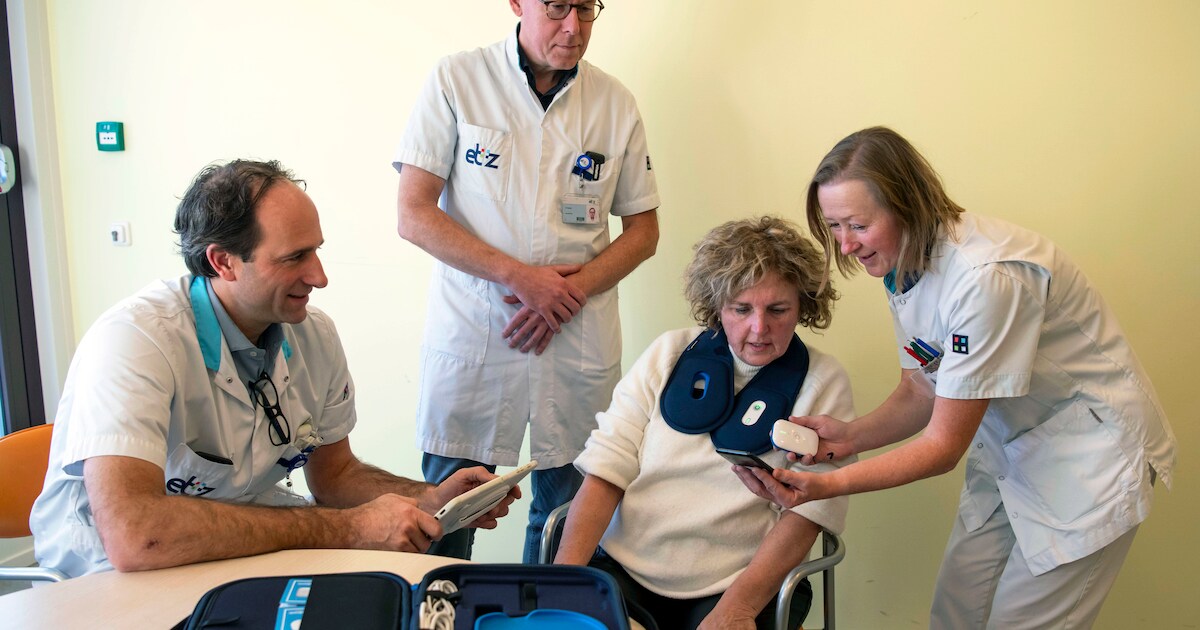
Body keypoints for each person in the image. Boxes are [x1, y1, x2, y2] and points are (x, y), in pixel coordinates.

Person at [737, 127, 1178, 628]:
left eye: (857, 224)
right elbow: (920, 387)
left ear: (906, 204)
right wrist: (848, 436)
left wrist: (826, 486)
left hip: (1086, 460)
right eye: (834, 226)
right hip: (1012, 451)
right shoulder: (902, 265)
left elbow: (943, 446)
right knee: (955, 613)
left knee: (1019, 622)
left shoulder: (986, 278)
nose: (846, 245)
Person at [30, 160, 518, 579]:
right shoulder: (135, 342)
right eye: (295, 258)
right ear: (223, 262)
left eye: (317, 250)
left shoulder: (313, 334)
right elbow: (138, 537)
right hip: (107, 577)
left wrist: (430, 496)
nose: (319, 276)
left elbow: (336, 475)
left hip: (236, 554)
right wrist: (349, 529)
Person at [393, 0, 660, 562]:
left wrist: (568, 292)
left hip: (574, 339)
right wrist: (520, 278)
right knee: (446, 520)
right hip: (478, 335)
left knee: (565, 524)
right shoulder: (458, 80)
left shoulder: (614, 103)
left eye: (587, 9)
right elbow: (414, 214)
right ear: (517, 3)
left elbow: (643, 231)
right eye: (558, 7)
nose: (574, 27)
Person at [554, 217, 855, 630]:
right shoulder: (668, 353)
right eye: (741, 309)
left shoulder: (823, 382)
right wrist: (563, 582)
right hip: (626, 571)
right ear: (717, 306)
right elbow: (607, 470)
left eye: (778, 309)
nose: (759, 328)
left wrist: (738, 609)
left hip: (740, 583)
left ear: (803, 306)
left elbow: (809, 514)